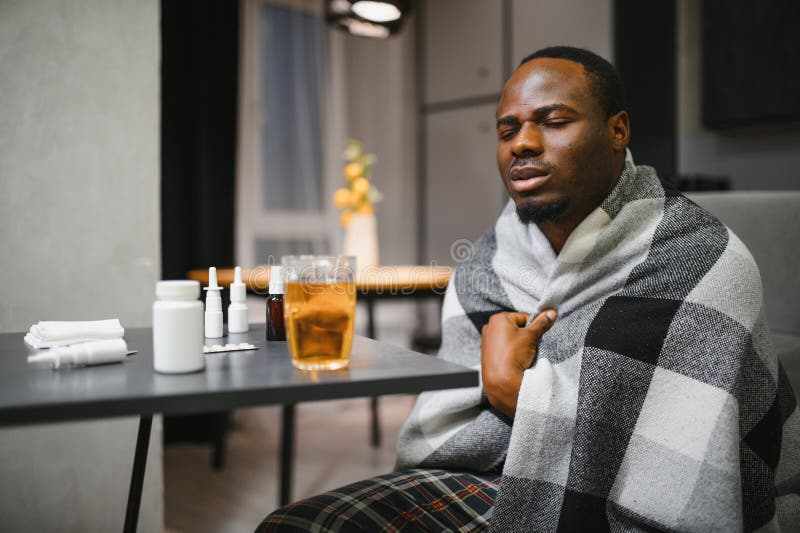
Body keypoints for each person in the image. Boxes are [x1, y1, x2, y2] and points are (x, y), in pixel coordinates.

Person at [258, 46, 799, 532]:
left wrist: (513, 391)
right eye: (507, 129)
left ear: (618, 130)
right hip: (495, 473)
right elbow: (452, 422)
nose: (524, 143)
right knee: (297, 524)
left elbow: (687, 473)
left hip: (621, 506)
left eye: (553, 120)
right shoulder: (491, 261)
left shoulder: (699, 259)